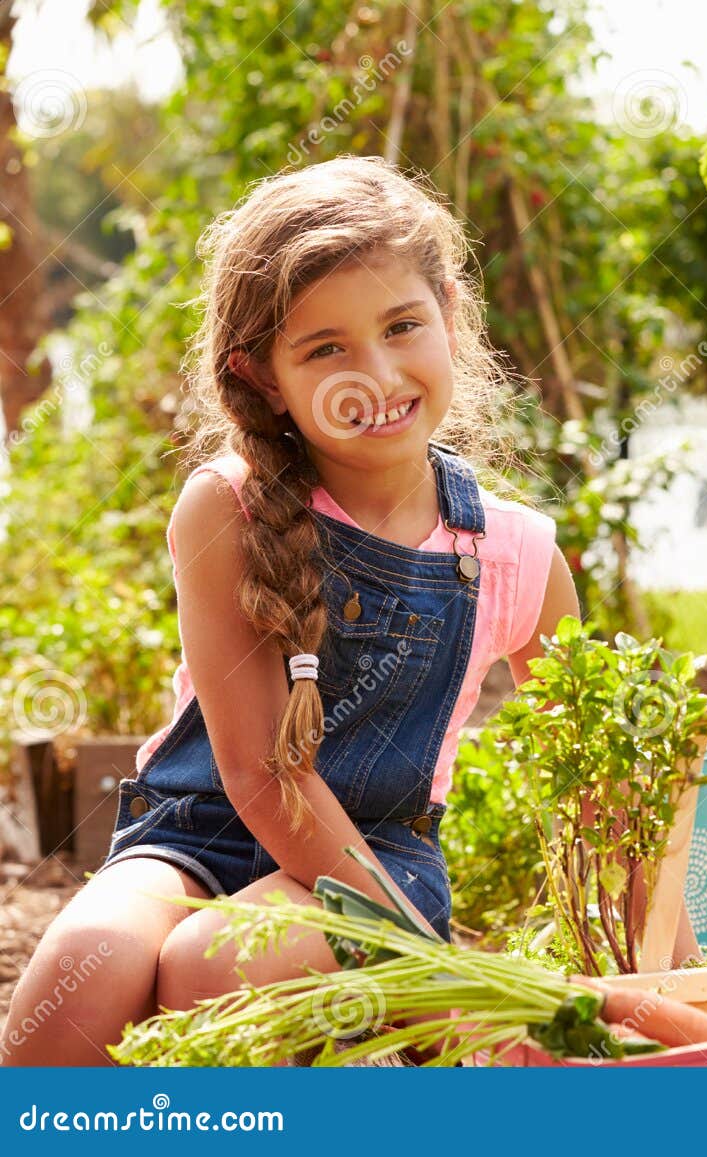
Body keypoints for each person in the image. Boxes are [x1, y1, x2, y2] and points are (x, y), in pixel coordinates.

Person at [1, 156, 578, 1065]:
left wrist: (637, 963)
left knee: (212, 964)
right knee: (80, 969)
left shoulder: (514, 553)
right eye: (325, 349)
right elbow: (261, 775)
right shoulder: (225, 510)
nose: (375, 374)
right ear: (264, 377)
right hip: (194, 833)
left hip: (378, 865)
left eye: (401, 325)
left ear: (450, 319)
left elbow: (595, 789)